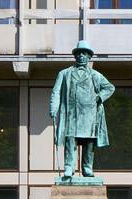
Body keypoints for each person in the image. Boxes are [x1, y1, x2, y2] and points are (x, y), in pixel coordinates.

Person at [49, 39, 115, 179]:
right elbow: (56, 92)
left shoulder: (95, 75)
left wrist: (100, 97)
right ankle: (69, 167)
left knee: (89, 143)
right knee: (70, 140)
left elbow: (109, 87)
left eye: (84, 53)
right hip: (71, 114)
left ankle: (87, 168)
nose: (81, 56)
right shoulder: (64, 73)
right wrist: (53, 108)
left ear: (89, 57)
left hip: (89, 115)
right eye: (79, 53)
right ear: (75, 56)